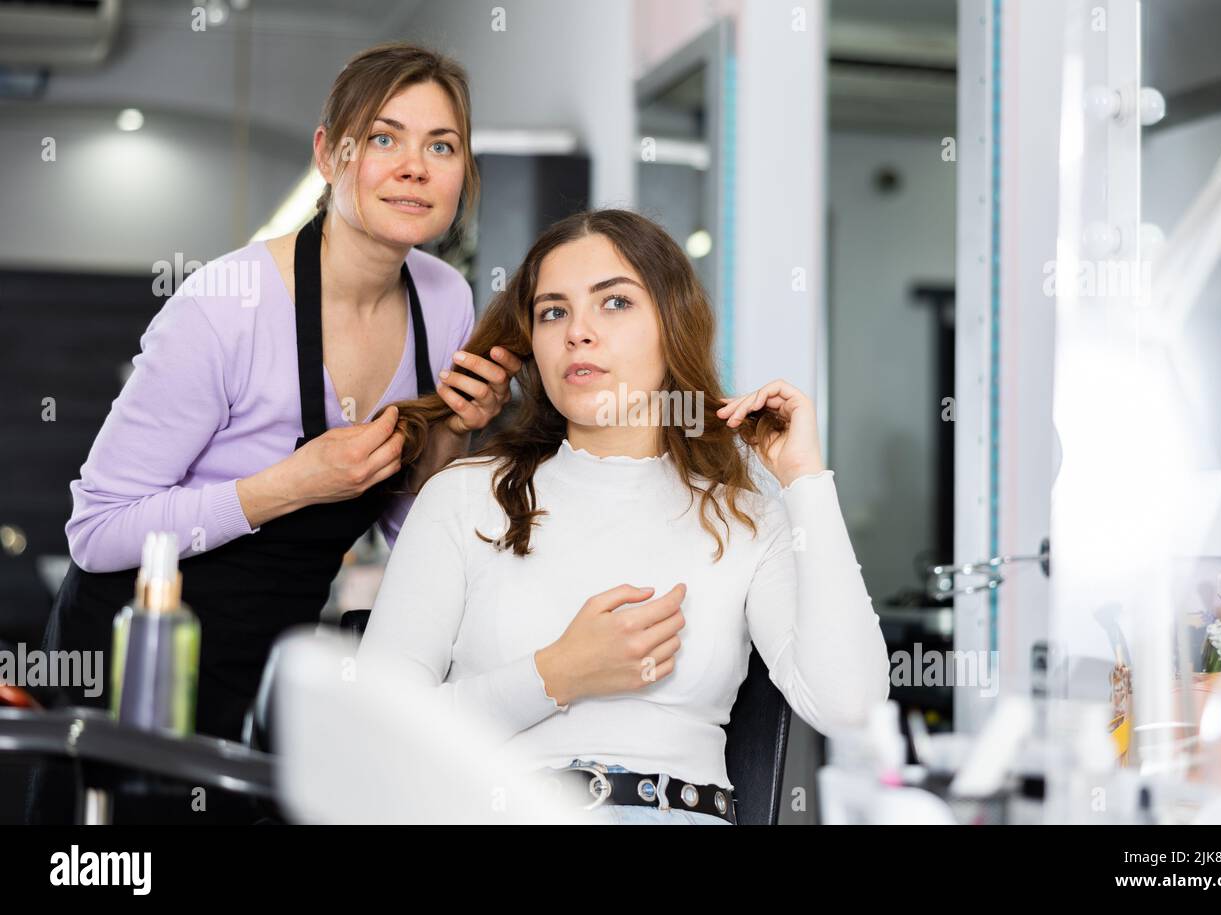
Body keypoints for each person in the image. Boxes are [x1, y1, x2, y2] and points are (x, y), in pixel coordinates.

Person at [27, 42, 521, 824]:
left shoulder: (444, 301)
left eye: (442, 145)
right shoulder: (224, 305)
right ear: (330, 154)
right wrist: (293, 484)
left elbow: (409, 524)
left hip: (275, 662)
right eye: (384, 138)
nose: (414, 167)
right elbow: (96, 531)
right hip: (141, 655)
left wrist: (456, 432)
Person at [361, 209, 890, 825]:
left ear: (673, 324)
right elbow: (378, 733)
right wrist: (558, 673)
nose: (578, 332)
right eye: (553, 312)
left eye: (613, 303)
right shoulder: (463, 498)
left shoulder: (745, 516)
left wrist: (805, 481)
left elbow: (851, 704)